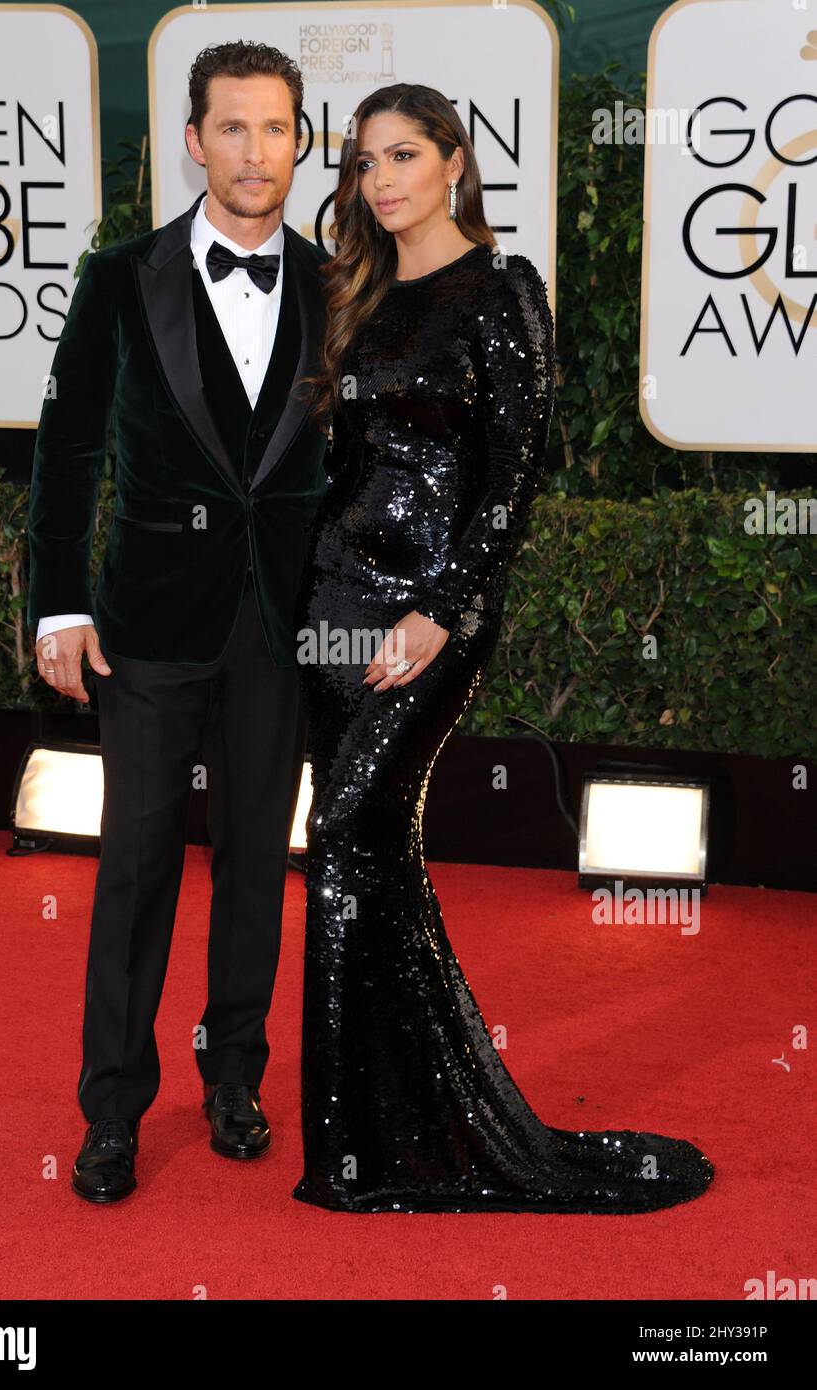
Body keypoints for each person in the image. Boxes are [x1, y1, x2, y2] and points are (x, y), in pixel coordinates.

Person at [291, 84, 715, 1213]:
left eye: (403, 155)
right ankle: (379, 1128)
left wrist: (445, 606)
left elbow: (510, 473)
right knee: (365, 858)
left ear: (454, 163)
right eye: (364, 161)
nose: (380, 180)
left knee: (343, 832)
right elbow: (330, 470)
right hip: (330, 604)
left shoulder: (501, 289)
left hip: (428, 613)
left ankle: (367, 1142)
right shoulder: (354, 294)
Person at [27, 42, 329, 1202]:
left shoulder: (331, 280)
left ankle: (235, 1077)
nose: (257, 152)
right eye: (233, 129)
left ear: (300, 141)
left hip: (279, 626)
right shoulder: (120, 276)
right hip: (147, 624)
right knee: (134, 870)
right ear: (193, 141)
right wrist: (57, 602)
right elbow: (67, 446)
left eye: (276, 129)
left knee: (258, 865)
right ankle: (111, 1111)